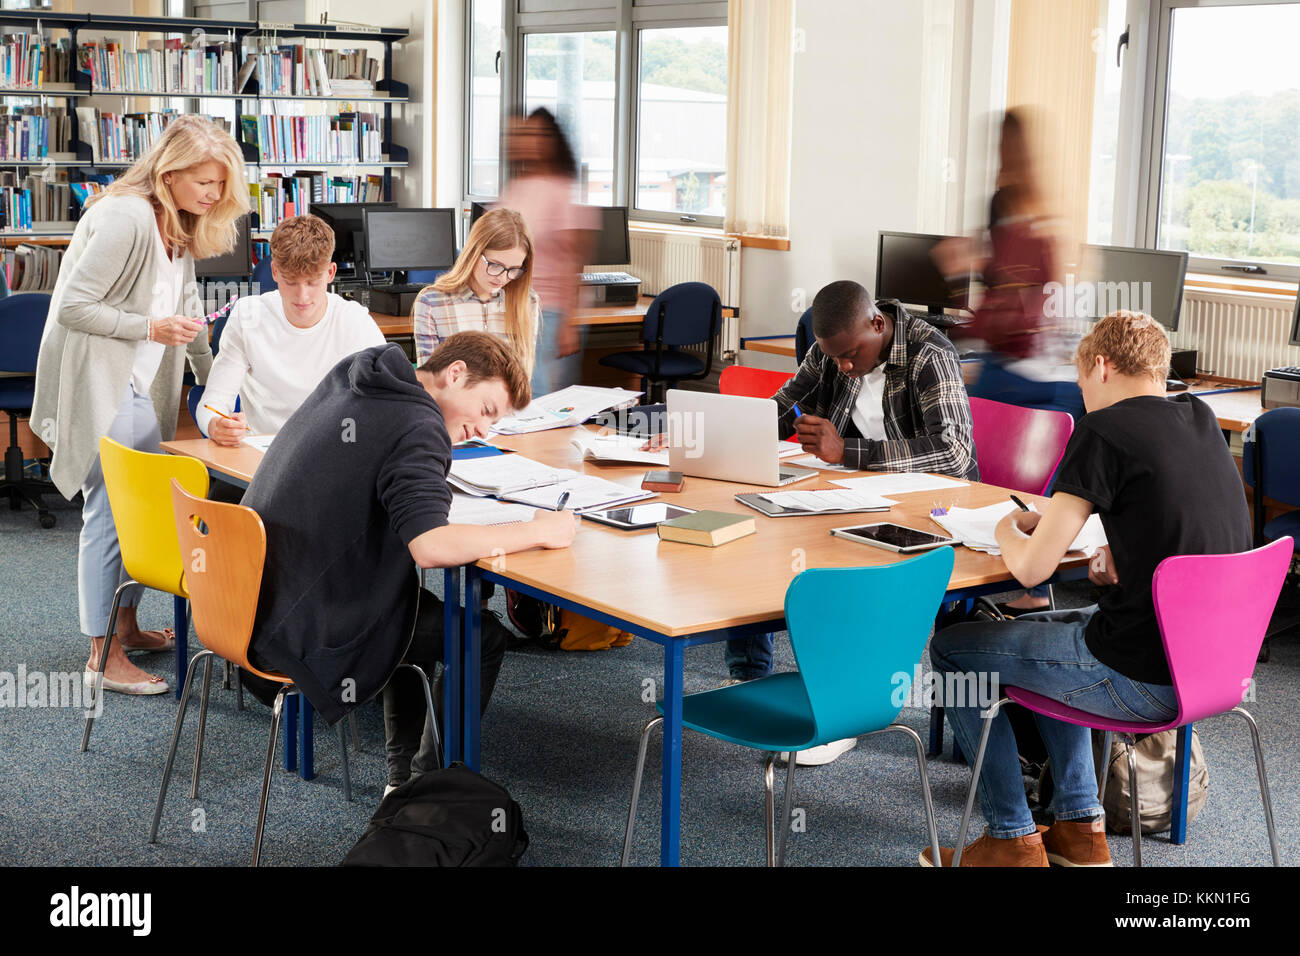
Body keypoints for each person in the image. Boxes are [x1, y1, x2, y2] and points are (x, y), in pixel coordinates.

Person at [922, 311, 1251, 867]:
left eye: (1078, 380)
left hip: (1141, 678)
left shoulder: (1103, 430)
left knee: (953, 650)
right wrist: (1127, 551)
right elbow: (1186, 520)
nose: (1079, 392)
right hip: (1211, 669)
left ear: (1100, 366)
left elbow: (1030, 572)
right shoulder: (1198, 415)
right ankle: (1078, 827)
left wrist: (1006, 526)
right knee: (1041, 640)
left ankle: (1011, 839)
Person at [240, 332, 579, 793]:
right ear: (455, 374)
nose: (484, 431)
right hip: (304, 629)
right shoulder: (418, 424)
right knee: (480, 638)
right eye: (485, 411)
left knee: (404, 608)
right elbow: (430, 547)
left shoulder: (364, 372)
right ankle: (425, 788)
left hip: (251, 604)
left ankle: (404, 784)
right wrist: (538, 531)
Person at [32, 115, 247, 695]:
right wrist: (149, 328)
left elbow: (191, 310)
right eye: (206, 183)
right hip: (99, 379)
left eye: (221, 186)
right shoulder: (126, 217)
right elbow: (74, 307)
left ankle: (124, 626)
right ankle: (101, 655)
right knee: (114, 512)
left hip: (134, 381)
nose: (215, 196)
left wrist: (212, 386)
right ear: (170, 173)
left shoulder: (176, 221)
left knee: (141, 510)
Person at [720, 281, 979, 764]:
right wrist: (712, 435)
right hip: (853, 494)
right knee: (751, 519)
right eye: (833, 356)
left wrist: (850, 452)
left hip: (930, 506)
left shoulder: (930, 353)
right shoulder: (832, 350)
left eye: (850, 355)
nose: (842, 366)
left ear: (876, 324)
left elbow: (954, 453)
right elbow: (782, 405)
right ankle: (750, 676)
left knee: (835, 573)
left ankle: (840, 713)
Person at [933, 108, 1081, 615]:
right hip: (1046, 378)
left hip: (1018, 377)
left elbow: (1007, 317)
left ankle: (999, 587)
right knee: (1023, 490)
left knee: (973, 474)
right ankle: (1027, 584)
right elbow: (1031, 311)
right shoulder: (1042, 218)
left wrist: (959, 277)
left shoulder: (1008, 216)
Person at [195, 214, 384, 454]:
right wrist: (216, 425)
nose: (302, 296)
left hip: (335, 452)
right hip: (265, 458)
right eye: (291, 282)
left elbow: (386, 403)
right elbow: (212, 402)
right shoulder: (248, 316)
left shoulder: (355, 321)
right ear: (274, 271)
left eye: (312, 282)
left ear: (330, 272)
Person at [498, 107, 598, 396]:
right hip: (514, 308)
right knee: (518, 394)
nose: (527, 140)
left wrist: (569, 322)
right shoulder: (515, 188)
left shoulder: (563, 191)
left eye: (536, 134)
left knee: (543, 398)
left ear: (552, 141)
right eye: (523, 133)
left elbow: (573, 263)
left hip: (550, 312)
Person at [412, 207, 540, 379]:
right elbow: (430, 383)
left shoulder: (527, 301)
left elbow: (522, 378)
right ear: (474, 252)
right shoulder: (432, 302)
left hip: (507, 405)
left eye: (514, 269)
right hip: (451, 405)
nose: (502, 278)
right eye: (495, 265)